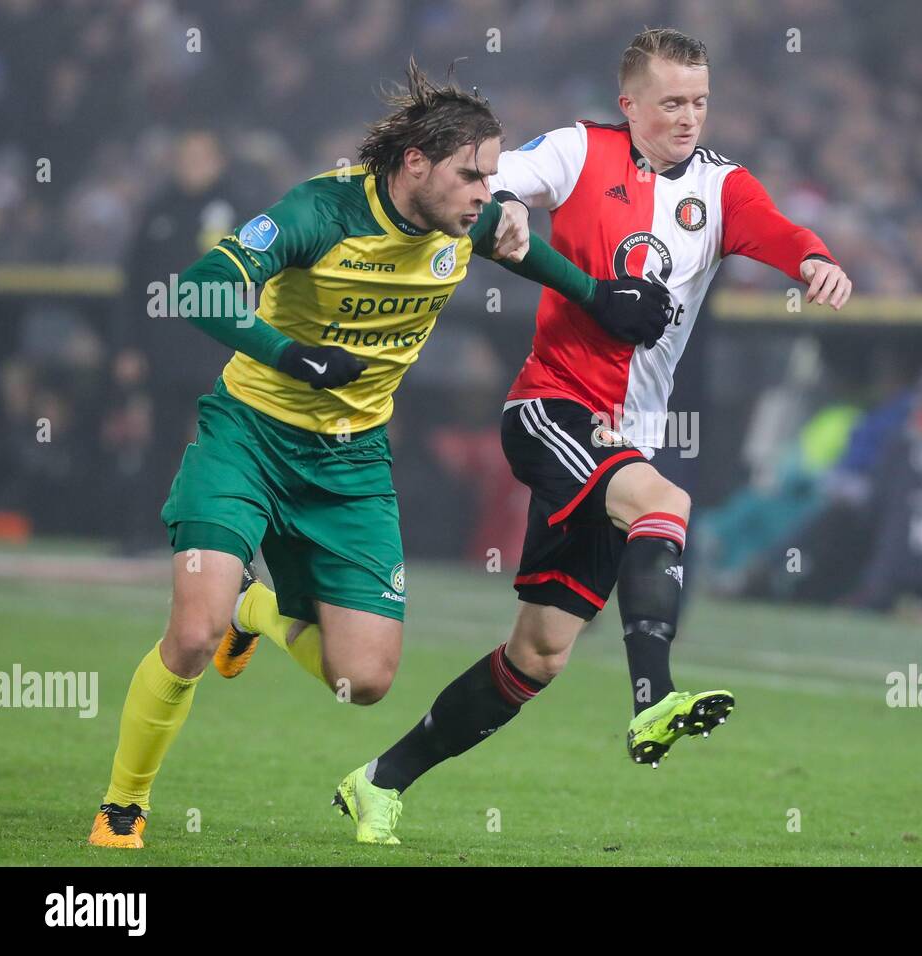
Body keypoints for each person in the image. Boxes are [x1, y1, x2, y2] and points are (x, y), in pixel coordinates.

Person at [87, 61, 666, 849]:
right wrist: (291, 355)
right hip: (250, 435)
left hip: (351, 463)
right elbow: (198, 287)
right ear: (414, 164)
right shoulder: (320, 210)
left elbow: (520, 248)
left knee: (364, 684)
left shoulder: (473, 219)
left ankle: (257, 610)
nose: (486, 191)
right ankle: (125, 805)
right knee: (191, 634)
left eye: (492, 175)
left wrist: (597, 296)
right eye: (471, 174)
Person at [334, 28, 852, 845]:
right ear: (631, 104)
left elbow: (778, 231)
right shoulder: (580, 149)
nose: (689, 118)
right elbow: (502, 184)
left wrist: (815, 259)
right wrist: (504, 211)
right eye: (673, 102)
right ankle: (654, 702)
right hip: (551, 408)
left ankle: (378, 781)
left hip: (624, 439)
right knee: (666, 501)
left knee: (537, 656)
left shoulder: (721, 187)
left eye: (700, 102)